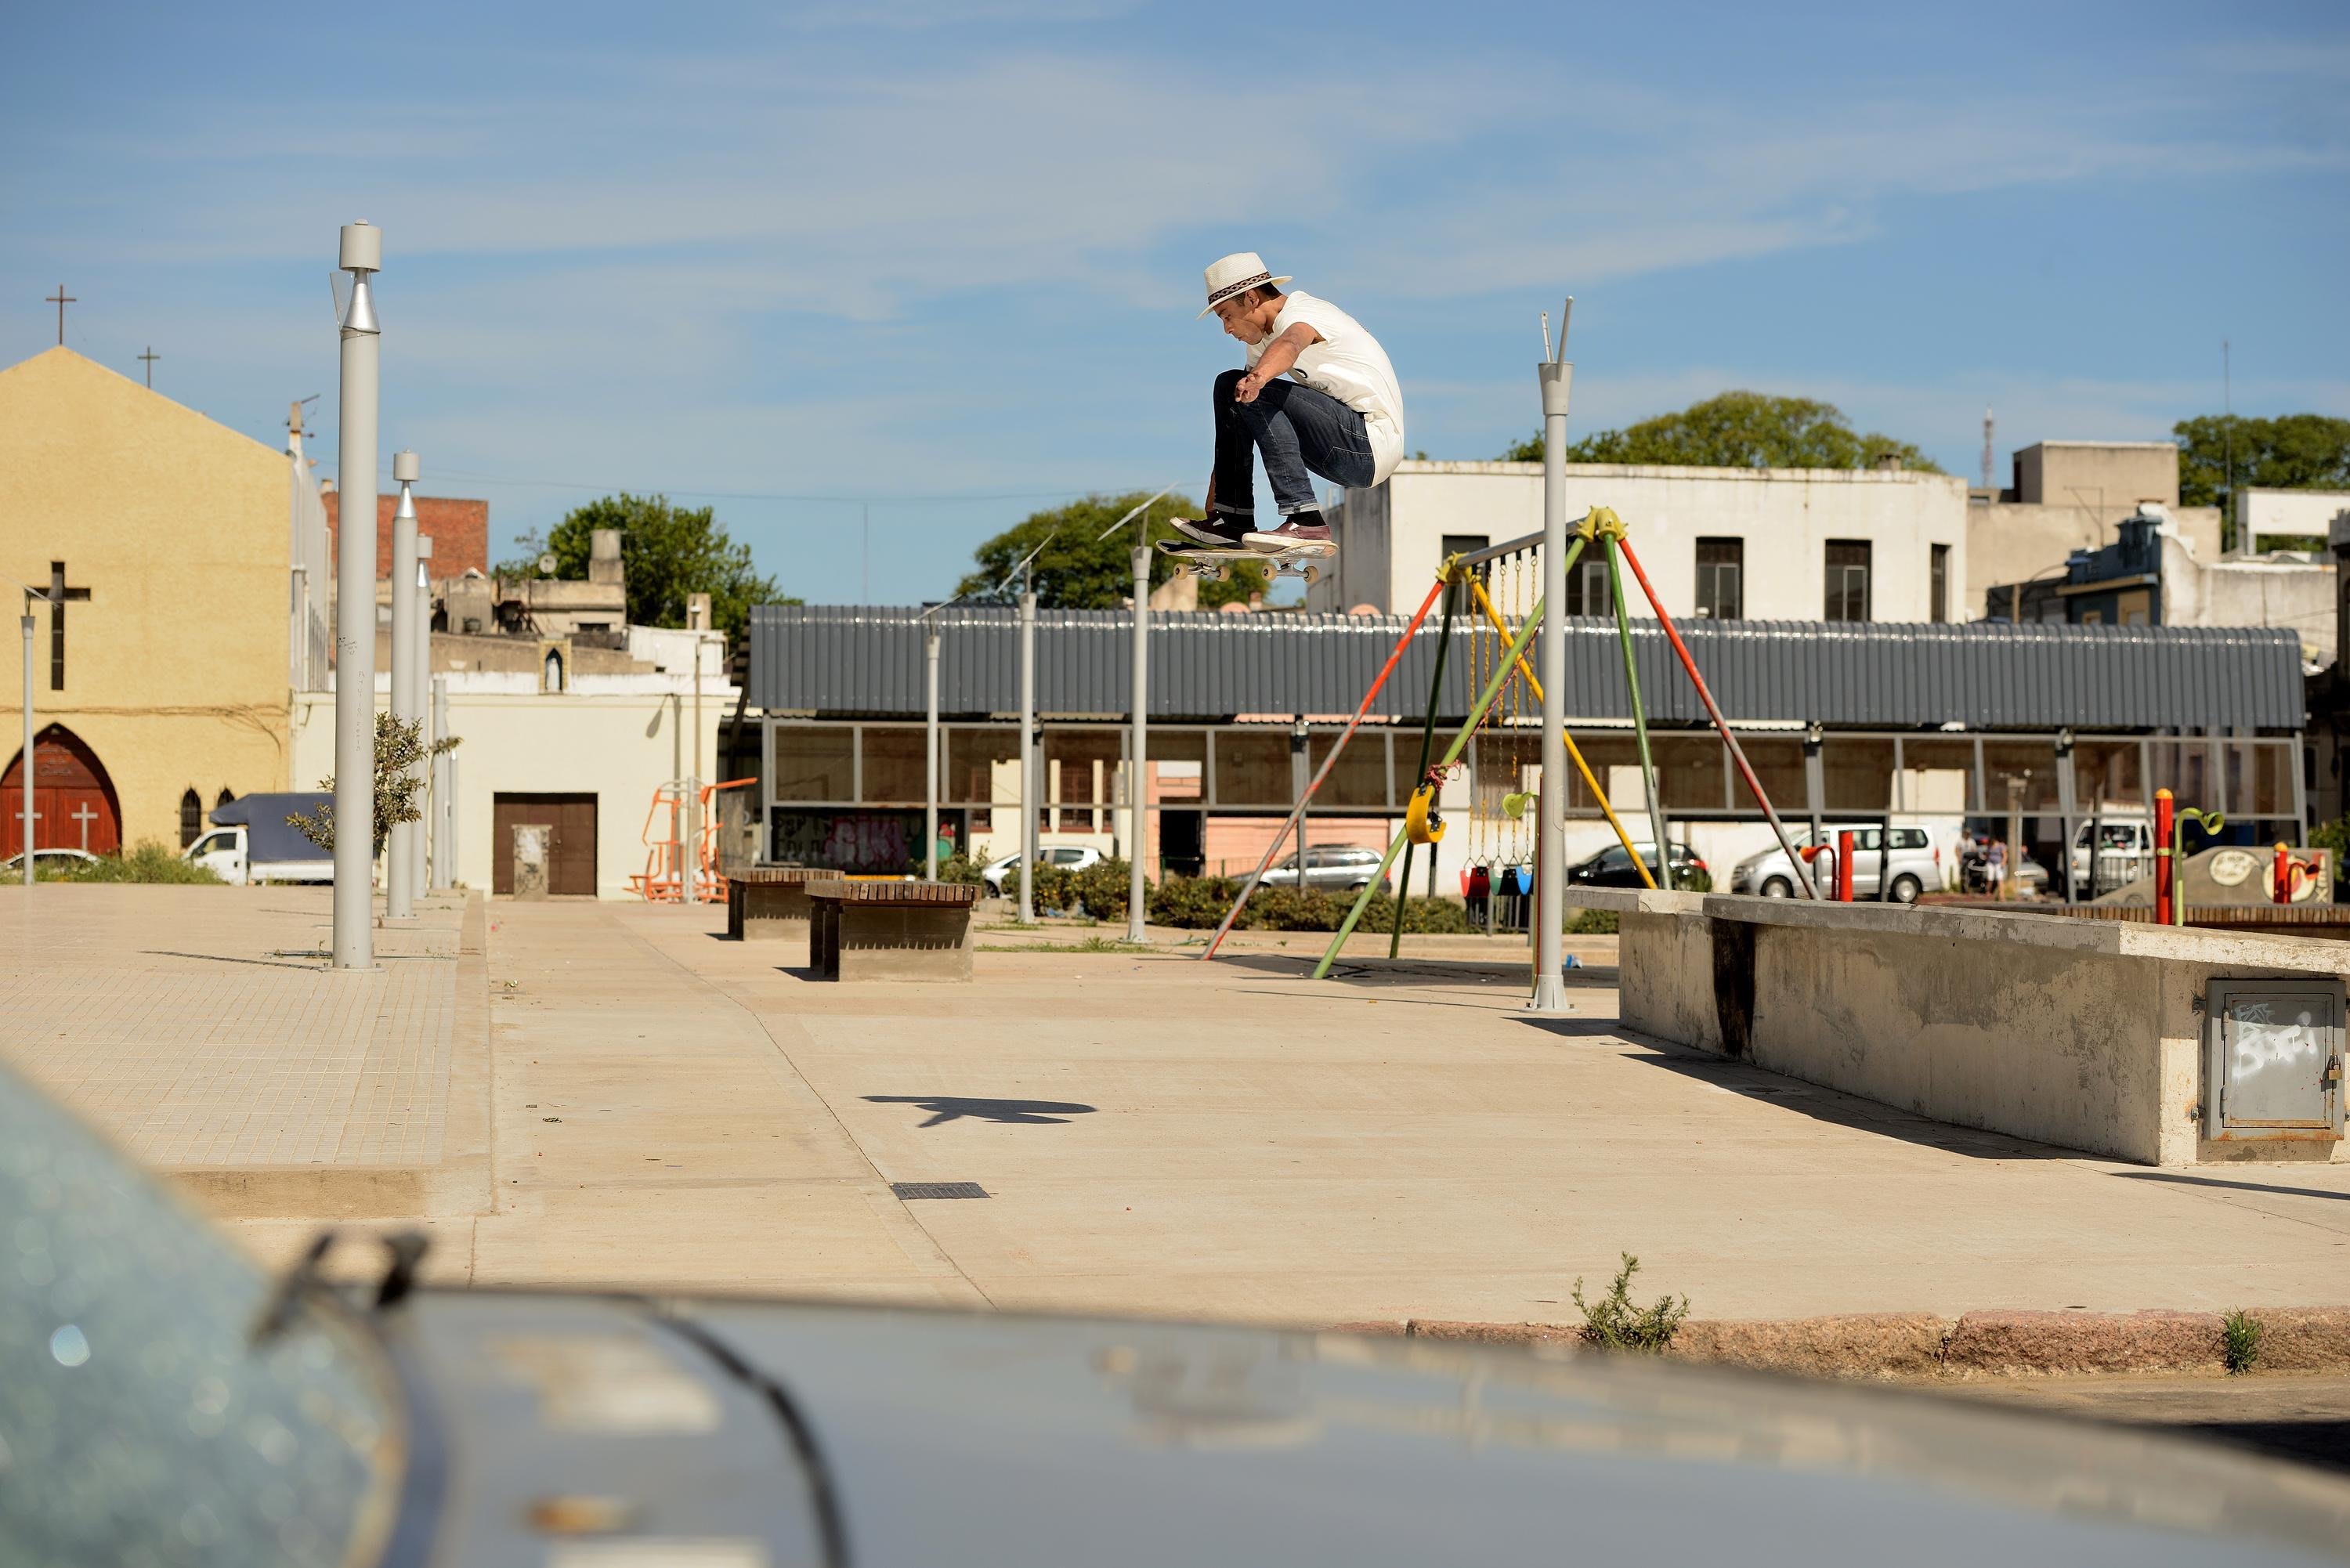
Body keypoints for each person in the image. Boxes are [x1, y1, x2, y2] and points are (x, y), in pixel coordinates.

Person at [1172, 252, 1406, 552]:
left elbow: (1291, 343)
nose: (1227, 329)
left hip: (1370, 443)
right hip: (1338, 448)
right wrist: (1217, 497)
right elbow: (1238, 419)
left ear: (1252, 299)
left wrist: (1259, 378)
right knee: (1230, 387)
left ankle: (1305, 520)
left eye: (1227, 315)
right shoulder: (1261, 345)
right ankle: (1232, 519)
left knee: (1251, 387)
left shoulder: (1304, 312)